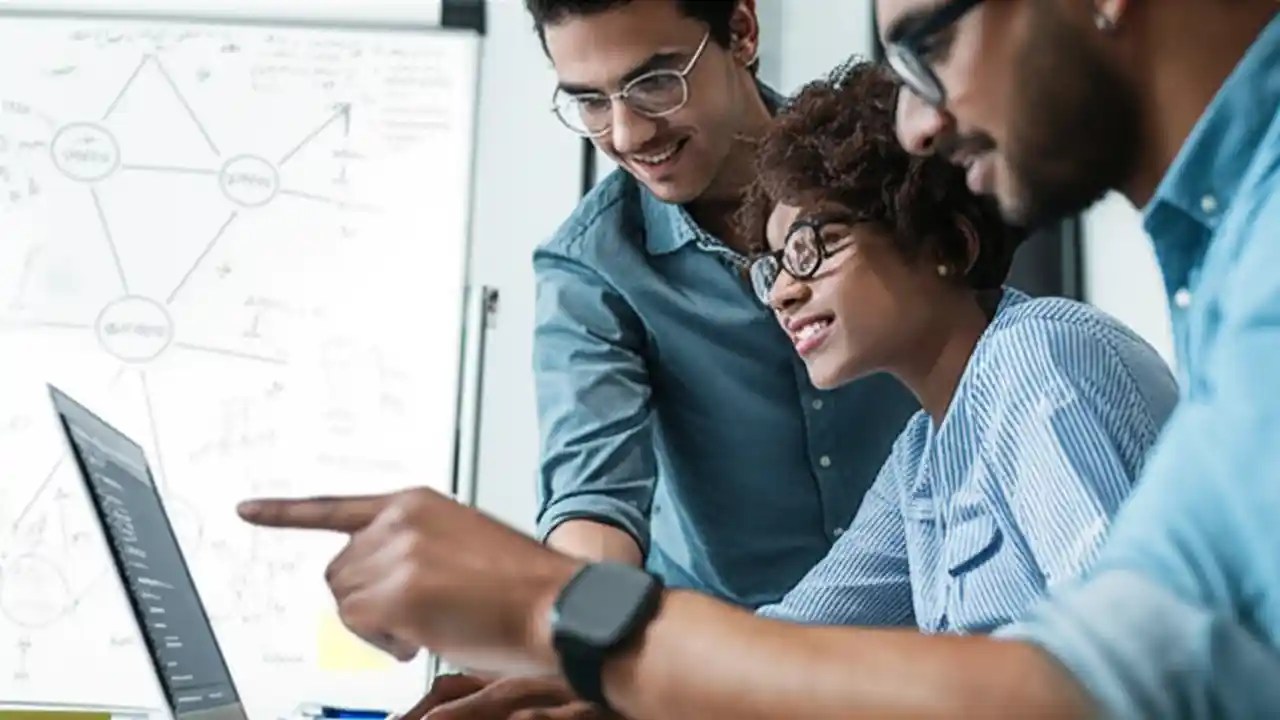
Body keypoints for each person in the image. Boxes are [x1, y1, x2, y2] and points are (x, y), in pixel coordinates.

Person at [237, 1, 1280, 718]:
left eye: (930, 43)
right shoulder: (924, 453)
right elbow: (783, 620)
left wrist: (559, 617)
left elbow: (1122, 683)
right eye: (586, 100)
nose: (622, 131)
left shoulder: (1041, 362)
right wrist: (583, 670)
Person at [429, 0, 915, 714]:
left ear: (743, 31)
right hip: (731, 685)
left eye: (656, 82)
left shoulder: (889, 168)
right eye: (590, 102)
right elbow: (593, 506)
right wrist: (574, 653)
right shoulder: (592, 267)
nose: (626, 134)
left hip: (936, 654)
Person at [740, 61, 1177, 634]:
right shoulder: (923, 453)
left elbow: (1126, 653)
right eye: (774, 267)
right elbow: (792, 639)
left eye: (814, 247)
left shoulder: (1038, 356)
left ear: (945, 241)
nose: (781, 293)